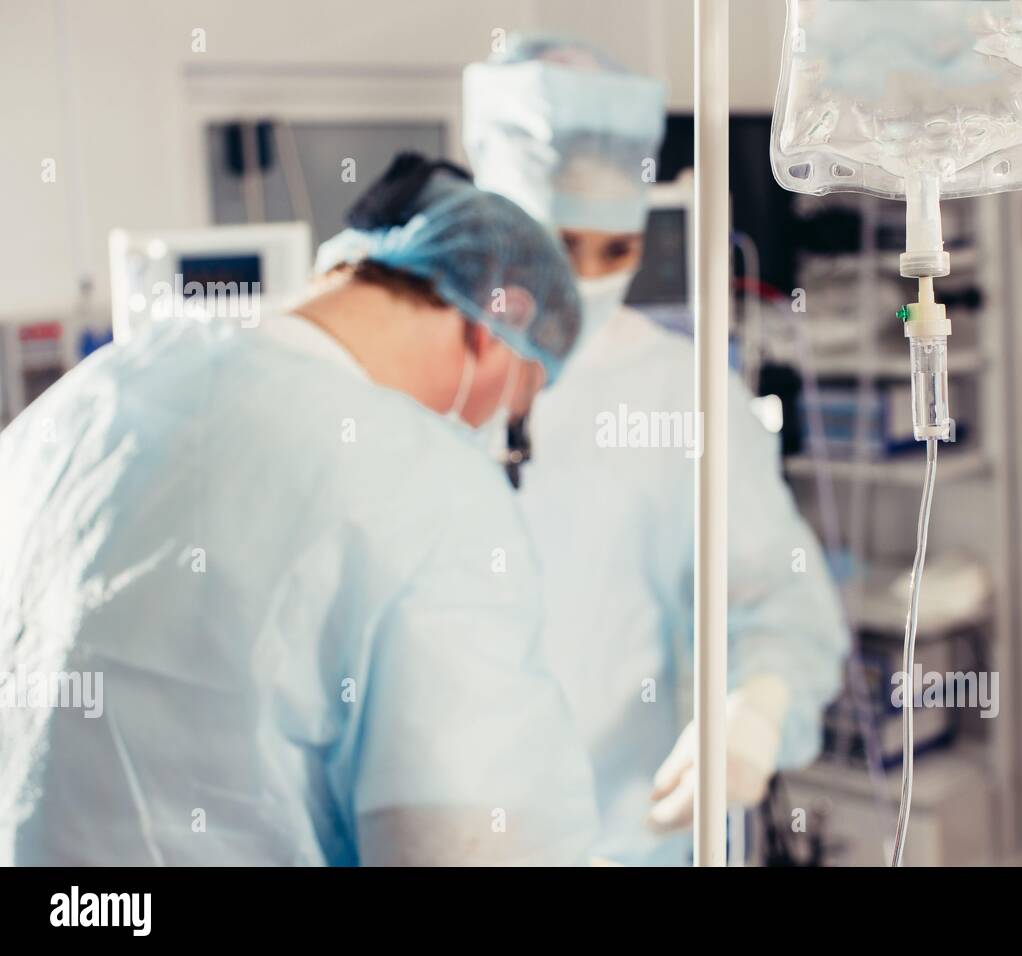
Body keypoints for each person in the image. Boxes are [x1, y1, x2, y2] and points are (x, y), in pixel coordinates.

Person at [0, 157, 598, 866]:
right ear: (496, 326)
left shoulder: (79, 402)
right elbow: (462, 846)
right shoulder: (425, 483)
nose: (490, 418)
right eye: (514, 399)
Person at [464, 36, 849, 865]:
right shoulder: (418, 380)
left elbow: (781, 605)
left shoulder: (684, 389)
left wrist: (754, 709)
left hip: (625, 836)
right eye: (559, 246)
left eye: (618, 252)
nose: (587, 282)